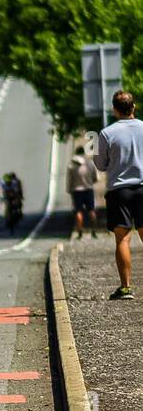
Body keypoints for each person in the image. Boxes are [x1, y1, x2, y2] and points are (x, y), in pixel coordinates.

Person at [92, 90, 143, 299]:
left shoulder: (106, 133)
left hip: (119, 191)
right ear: (134, 107)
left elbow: (100, 165)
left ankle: (125, 288)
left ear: (114, 110)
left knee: (123, 239)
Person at [65, 146, 99, 239]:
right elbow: (96, 178)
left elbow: (69, 180)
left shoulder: (71, 165)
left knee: (78, 211)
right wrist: (89, 182)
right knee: (91, 210)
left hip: (76, 191)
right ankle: (94, 230)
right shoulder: (90, 164)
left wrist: (69, 189)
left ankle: (80, 231)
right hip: (88, 189)